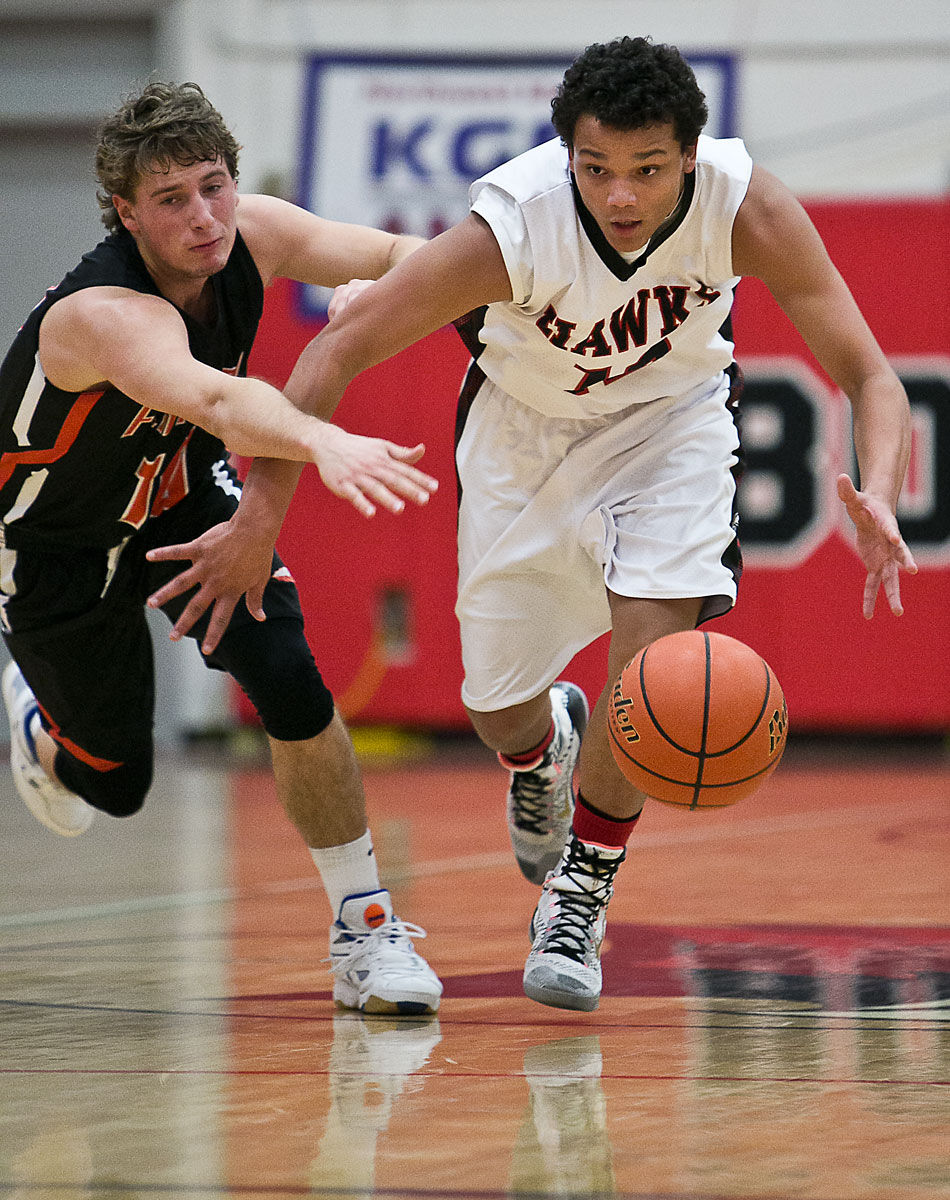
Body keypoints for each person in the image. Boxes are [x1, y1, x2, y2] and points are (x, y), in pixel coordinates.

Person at [151, 37, 918, 1012]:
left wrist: (879, 491)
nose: (621, 196)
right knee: (493, 706)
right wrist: (260, 513)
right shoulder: (513, 224)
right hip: (523, 443)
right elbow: (338, 346)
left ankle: (581, 888)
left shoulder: (746, 207)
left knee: (648, 669)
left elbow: (868, 374)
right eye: (595, 169)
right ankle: (539, 747)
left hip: (669, 435)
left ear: (689, 152)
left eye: (646, 170)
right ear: (566, 157)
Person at [0, 80, 444, 1017]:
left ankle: (367, 931)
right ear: (126, 212)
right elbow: (213, 399)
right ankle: (42, 728)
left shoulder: (257, 233)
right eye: (171, 201)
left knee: (288, 677)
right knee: (113, 787)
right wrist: (322, 437)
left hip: (175, 491)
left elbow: (407, 256)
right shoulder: (100, 313)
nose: (204, 219)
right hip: (54, 545)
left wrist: (434, 287)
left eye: (214, 187)